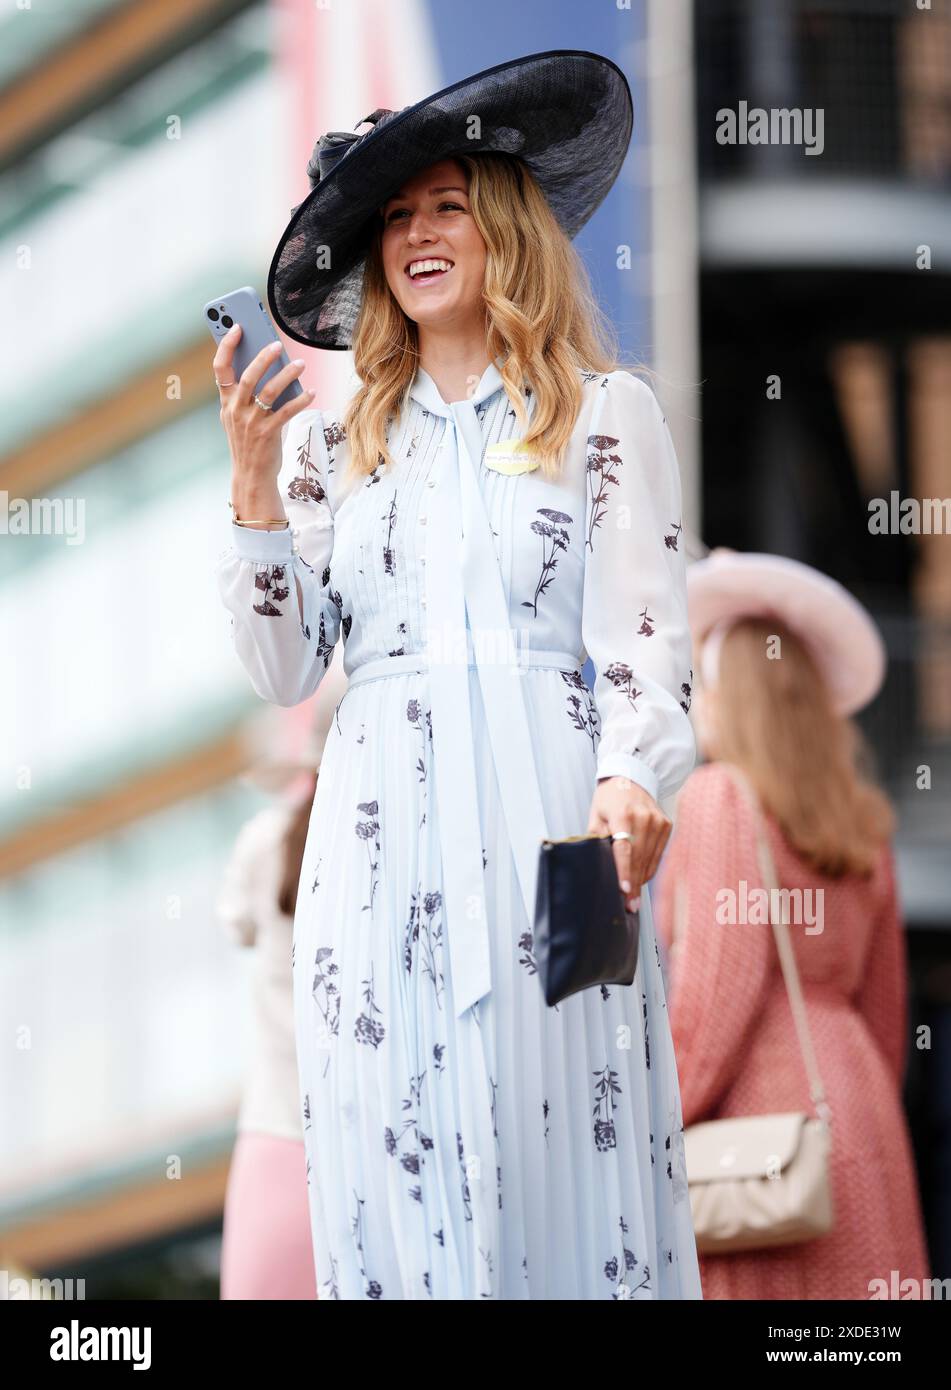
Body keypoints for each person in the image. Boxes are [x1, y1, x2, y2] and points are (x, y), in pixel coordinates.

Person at [214, 51, 702, 1300]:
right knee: (396, 1160)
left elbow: (647, 635)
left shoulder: (602, 416)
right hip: (375, 858)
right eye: (395, 217)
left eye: (446, 205)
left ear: (501, 225)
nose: (419, 233)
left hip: (549, 827)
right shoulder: (331, 451)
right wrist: (255, 491)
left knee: (568, 1159)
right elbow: (282, 671)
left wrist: (630, 776)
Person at [654, 548, 932, 1300]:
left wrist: (648, 1122)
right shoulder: (863, 822)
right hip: (858, 1115)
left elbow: (715, 1001)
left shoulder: (720, 799)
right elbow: (885, 1010)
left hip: (760, 1135)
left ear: (727, 698)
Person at [217, 650, 347, 1300]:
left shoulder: (263, 842)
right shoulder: (363, 846)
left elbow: (235, 922)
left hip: (275, 1136)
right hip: (359, 1140)